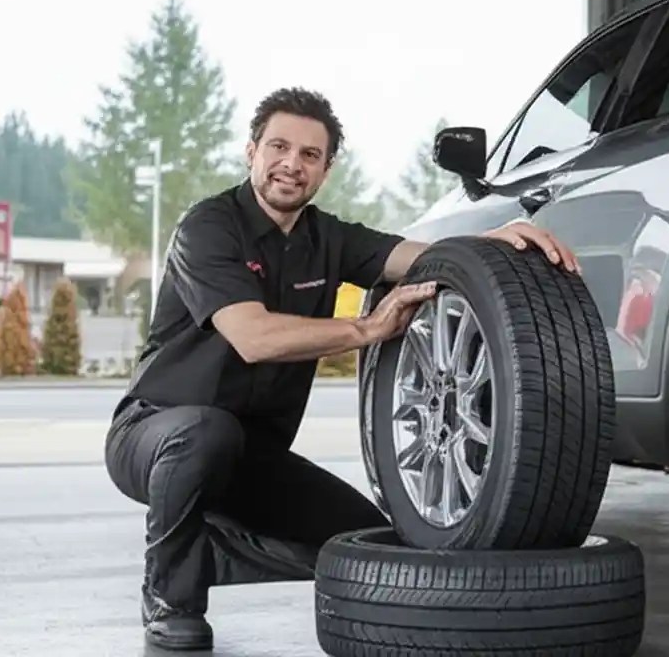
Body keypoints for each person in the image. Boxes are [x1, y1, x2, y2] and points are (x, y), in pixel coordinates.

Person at [103, 86, 579, 651]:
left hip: (254, 456)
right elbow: (252, 337)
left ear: (326, 169)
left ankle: (203, 552)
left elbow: (417, 256)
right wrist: (366, 329)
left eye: (310, 155)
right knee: (207, 431)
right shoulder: (208, 228)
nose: (291, 164)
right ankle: (170, 595)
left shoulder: (327, 238)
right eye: (278, 146)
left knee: (368, 542)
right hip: (157, 435)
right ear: (251, 151)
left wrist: (493, 241)